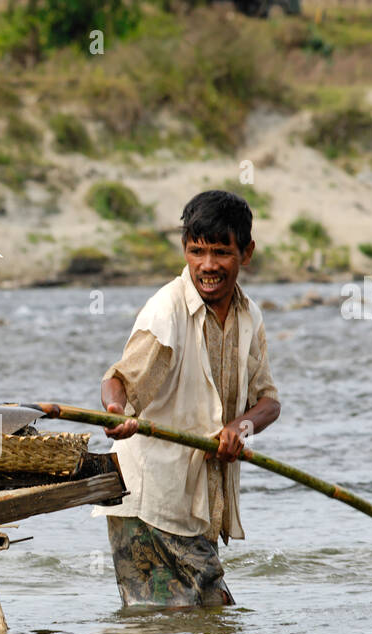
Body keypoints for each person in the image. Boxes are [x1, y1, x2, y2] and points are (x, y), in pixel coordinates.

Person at [91, 190, 281, 607]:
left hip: (197, 507)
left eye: (220, 252)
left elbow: (268, 402)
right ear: (185, 250)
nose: (207, 266)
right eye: (197, 251)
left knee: (201, 625)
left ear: (246, 253)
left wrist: (239, 428)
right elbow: (119, 379)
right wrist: (116, 411)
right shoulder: (168, 311)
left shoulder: (249, 316)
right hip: (149, 506)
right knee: (166, 625)